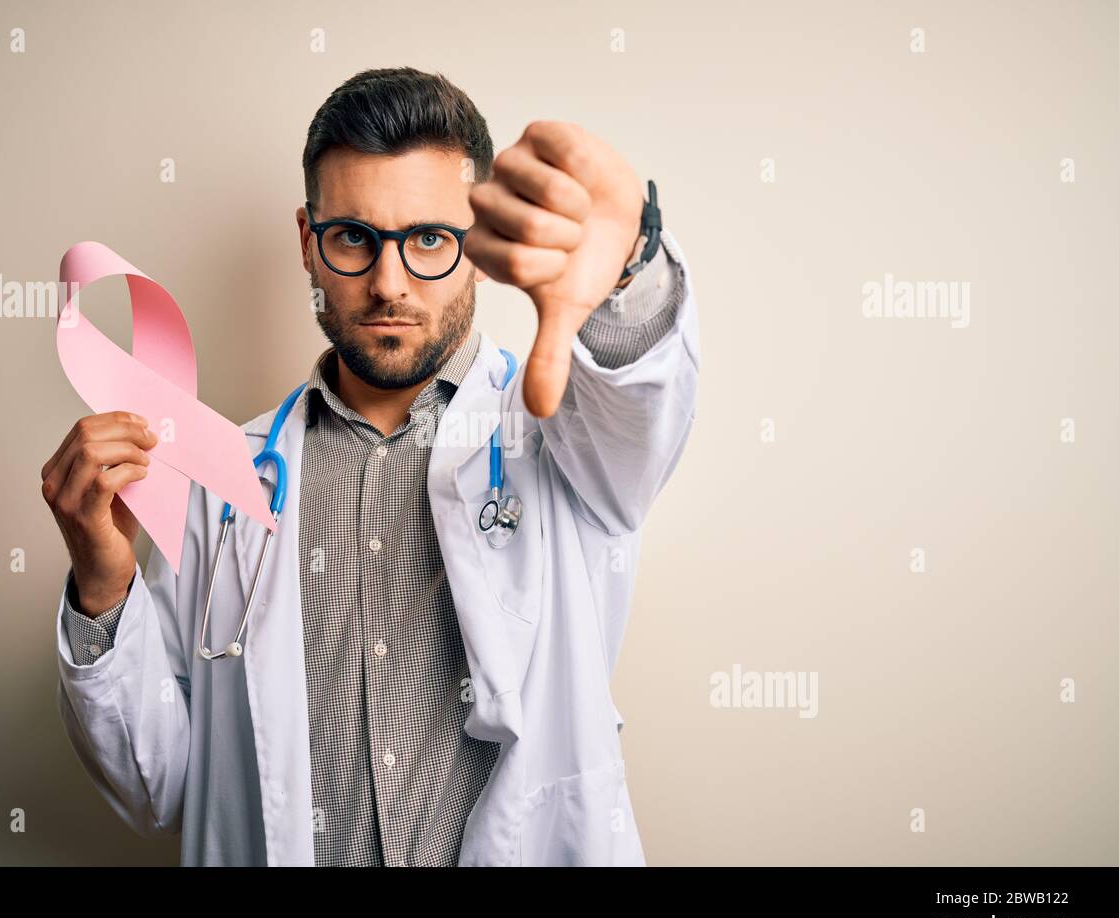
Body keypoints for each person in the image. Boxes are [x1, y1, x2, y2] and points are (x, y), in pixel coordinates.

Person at [41, 66, 700, 866]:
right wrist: (103, 584)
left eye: (430, 238)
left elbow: (640, 391)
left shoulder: (571, 442)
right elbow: (162, 789)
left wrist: (626, 269)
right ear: (308, 242)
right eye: (353, 236)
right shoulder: (221, 479)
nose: (389, 284)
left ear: (483, 248)